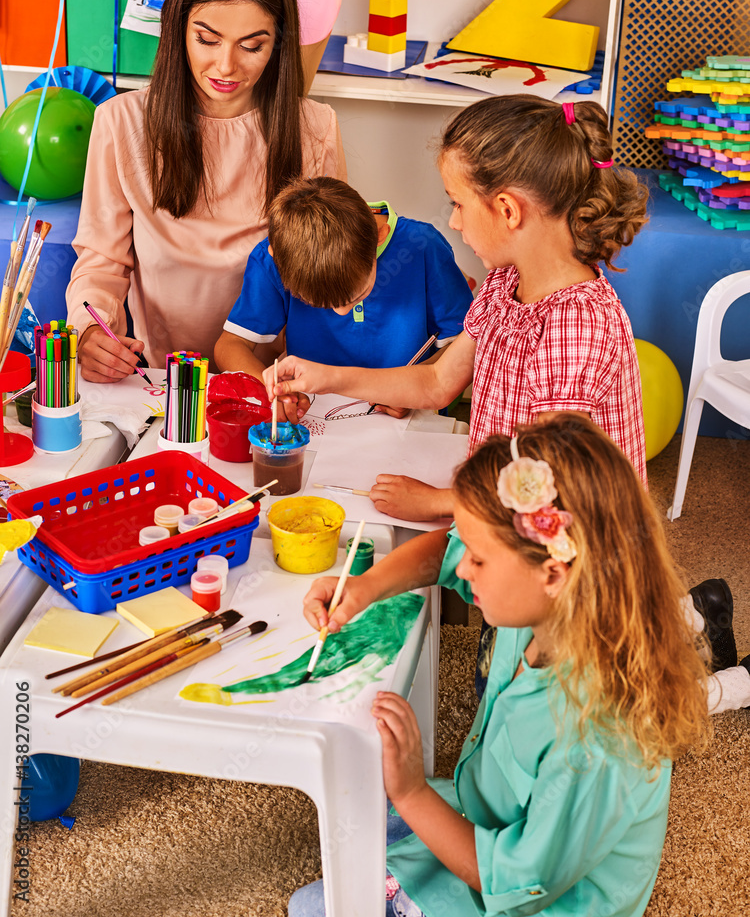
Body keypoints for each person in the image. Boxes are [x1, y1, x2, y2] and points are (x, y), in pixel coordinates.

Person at [288, 414, 709, 917]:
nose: (464, 568)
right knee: (347, 811)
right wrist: (363, 587)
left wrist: (413, 792)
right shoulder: (541, 600)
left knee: (315, 905)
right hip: (483, 808)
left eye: (480, 560)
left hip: (528, 898)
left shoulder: (601, 733)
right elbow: (447, 551)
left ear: (553, 572)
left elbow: (517, 882)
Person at [264, 95, 648, 521]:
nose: (454, 222)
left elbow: (547, 483)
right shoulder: (507, 282)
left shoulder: (576, 325)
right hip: (500, 509)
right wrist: (326, 377)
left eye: (458, 204)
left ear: (507, 210)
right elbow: (437, 382)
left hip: (566, 552)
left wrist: (438, 502)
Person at [66, 0, 346, 382]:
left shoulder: (314, 127)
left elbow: (328, 273)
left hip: (278, 384)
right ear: (179, 29)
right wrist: (88, 331)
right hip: (161, 381)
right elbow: (101, 262)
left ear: (279, 42)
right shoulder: (119, 123)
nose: (225, 66)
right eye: (207, 39)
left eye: (252, 46)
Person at [214, 176, 473, 421]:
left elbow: (467, 346)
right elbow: (231, 345)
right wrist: (269, 390)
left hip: (409, 426)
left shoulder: (422, 246)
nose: (340, 312)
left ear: (377, 240)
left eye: (356, 295)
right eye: (317, 304)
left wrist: (413, 388)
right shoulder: (272, 260)